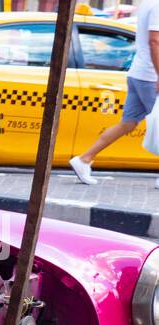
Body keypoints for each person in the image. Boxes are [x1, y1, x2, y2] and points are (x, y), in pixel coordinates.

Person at [71, 0, 159, 186]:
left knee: (127, 123)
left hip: (139, 73)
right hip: (150, 76)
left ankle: (84, 159)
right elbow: (155, 41)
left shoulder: (148, 3)